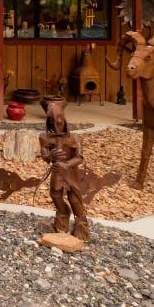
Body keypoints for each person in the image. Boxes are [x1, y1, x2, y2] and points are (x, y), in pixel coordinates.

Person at [39, 101, 89, 240]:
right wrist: (49, 155)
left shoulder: (74, 137)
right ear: (48, 122)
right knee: (55, 194)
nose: (57, 125)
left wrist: (66, 165)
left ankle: (81, 221)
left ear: (64, 120)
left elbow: (79, 157)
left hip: (70, 172)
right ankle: (62, 214)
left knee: (74, 197)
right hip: (56, 171)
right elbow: (44, 155)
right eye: (53, 122)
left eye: (59, 122)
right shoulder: (45, 137)